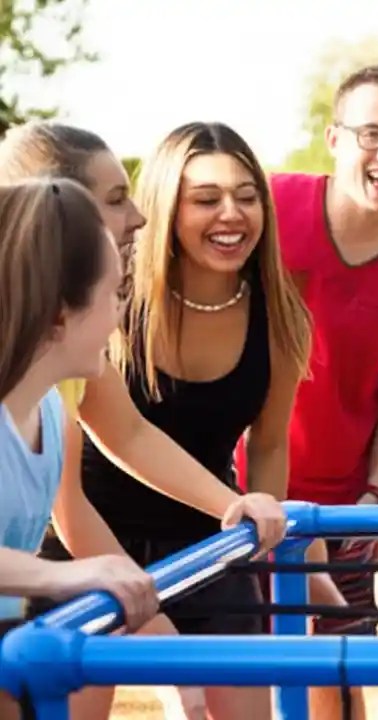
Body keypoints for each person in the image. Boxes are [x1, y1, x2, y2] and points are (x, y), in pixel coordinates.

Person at [0, 121, 300, 719]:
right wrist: (73, 582)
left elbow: (131, 433)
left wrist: (234, 505)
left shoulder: (58, 394)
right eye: (116, 200)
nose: (136, 216)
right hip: (73, 571)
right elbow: (72, 508)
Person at [251, 64, 378, 720]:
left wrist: (374, 496)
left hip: (343, 506)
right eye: (371, 133)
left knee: (339, 679)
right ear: (334, 138)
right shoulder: (267, 207)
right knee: (228, 679)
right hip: (231, 494)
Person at [0, 178, 160, 720]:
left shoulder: (50, 413)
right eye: (114, 294)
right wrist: (63, 575)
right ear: (59, 313)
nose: (120, 316)